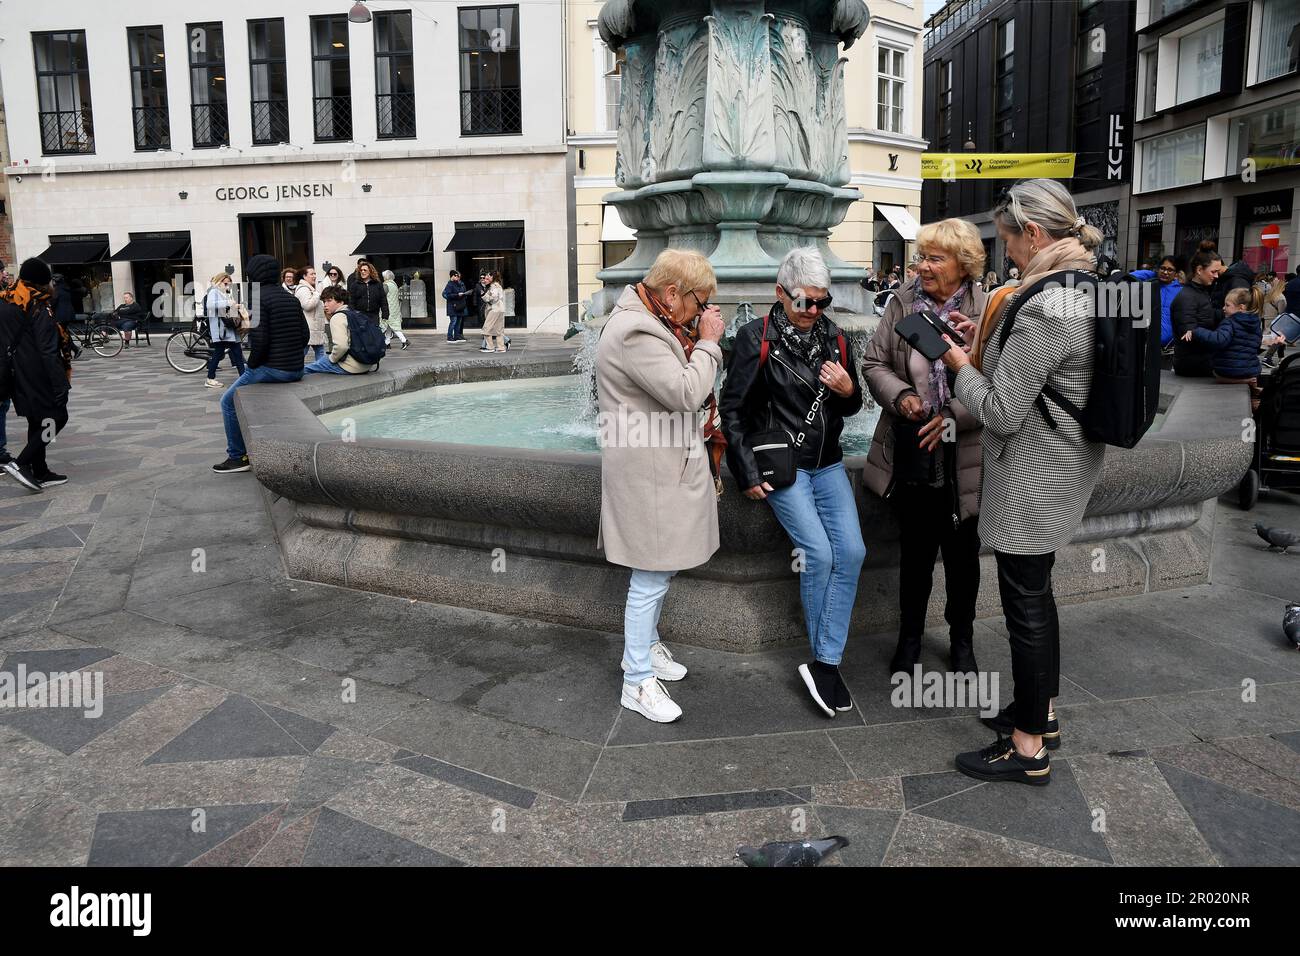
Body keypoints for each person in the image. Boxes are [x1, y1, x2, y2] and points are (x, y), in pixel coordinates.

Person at [940, 179, 1106, 786]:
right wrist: (981, 344)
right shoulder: (1083, 283)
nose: (1006, 252)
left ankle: (1028, 746)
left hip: (1038, 469)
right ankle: (1043, 713)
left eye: (1008, 240)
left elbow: (1003, 410)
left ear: (1034, 234)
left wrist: (960, 366)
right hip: (1065, 458)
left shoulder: (1047, 303)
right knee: (1037, 592)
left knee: (1025, 605)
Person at [720, 247, 866, 717]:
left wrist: (849, 391)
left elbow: (849, 407)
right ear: (781, 293)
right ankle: (826, 663)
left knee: (854, 552)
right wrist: (744, 470)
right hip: (783, 465)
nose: (813, 312)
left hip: (827, 462)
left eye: (822, 302)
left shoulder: (836, 339)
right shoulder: (754, 338)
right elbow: (733, 409)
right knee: (819, 554)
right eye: (805, 301)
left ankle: (825, 659)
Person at [596, 249, 726, 723]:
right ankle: (635, 680)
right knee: (649, 576)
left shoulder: (652, 320)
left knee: (660, 569)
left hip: (658, 465)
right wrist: (710, 343)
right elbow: (687, 393)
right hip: (648, 471)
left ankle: (647, 649)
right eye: (699, 300)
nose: (704, 311)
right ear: (672, 293)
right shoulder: (637, 330)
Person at [862, 219, 987, 676]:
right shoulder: (902, 302)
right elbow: (874, 362)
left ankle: (962, 641)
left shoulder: (990, 309)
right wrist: (903, 397)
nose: (923, 267)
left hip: (966, 454)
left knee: (962, 558)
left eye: (936, 258)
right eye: (922, 257)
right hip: (914, 444)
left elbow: (1001, 387)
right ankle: (910, 639)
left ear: (963, 264)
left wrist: (952, 412)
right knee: (914, 555)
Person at [212, 254, 309, 474]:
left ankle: (237, 456)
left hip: (273, 368)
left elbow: (261, 340)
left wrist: (251, 366)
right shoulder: (291, 298)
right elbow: (304, 336)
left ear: (253, 275)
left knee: (228, 401)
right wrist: (293, 358)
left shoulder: (258, 298)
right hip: (296, 368)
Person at [0, 258, 70, 492]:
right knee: (58, 418)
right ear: (42, 283)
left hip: (14, 371)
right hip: (38, 373)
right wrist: (61, 385)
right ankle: (20, 464)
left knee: (37, 420)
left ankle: (40, 470)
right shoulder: (39, 306)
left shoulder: (7, 299)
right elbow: (48, 351)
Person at [1183, 286, 1264, 406]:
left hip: (1228, 371)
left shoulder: (1230, 322)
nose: (1223, 308)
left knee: (1215, 373)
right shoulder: (1256, 323)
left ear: (1241, 307)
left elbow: (1219, 340)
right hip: (1251, 370)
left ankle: (1243, 382)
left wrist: (1197, 331)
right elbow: (1256, 346)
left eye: (1227, 305)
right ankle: (1253, 394)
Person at [1171, 241, 1225, 377]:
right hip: (1193, 368)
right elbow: (1188, 335)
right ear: (1199, 270)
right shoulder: (1186, 298)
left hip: (1202, 364)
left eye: (1218, 272)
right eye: (1213, 272)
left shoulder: (1203, 293)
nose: (1217, 276)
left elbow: (1206, 318)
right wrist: (1220, 338)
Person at [303, 287, 380, 375]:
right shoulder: (354, 313)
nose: (325, 305)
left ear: (341, 302)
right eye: (324, 301)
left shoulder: (338, 317)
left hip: (351, 367)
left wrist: (332, 359)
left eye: (329, 301)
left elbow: (341, 346)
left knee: (308, 368)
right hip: (366, 364)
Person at [204, 272, 246, 388]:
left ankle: (242, 377)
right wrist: (228, 303)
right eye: (226, 283)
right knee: (226, 353)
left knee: (234, 352)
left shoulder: (223, 292)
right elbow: (210, 305)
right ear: (220, 281)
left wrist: (234, 305)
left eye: (229, 283)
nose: (228, 285)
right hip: (222, 329)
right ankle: (210, 378)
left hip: (227, 329)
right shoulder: (214, 291)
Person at [1130, 256, 1183, 348]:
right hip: (1144, 343)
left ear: (1176, 274)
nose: (1165, 272)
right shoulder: (1152, 283)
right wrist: (1153, 274)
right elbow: (1130, 276)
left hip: (1168, 349)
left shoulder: (1181, 291)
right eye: (1162, 268)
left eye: (1170, 270)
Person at [293, 267, 326, 362]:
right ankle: (294, 367)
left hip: (314, 326)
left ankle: (321, 367)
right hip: (309, 326)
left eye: (315, 273)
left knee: (319, 349)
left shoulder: (309, 288)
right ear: (304, 276)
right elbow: (307, 306)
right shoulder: (303, 289)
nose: (314, 276)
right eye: (312, 274)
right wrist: (316, 295)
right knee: (304, 350)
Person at [347, 259, 388, 328]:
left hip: (374, 315)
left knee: (373, 335)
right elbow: (351, 301)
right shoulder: (355, 285)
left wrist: (385, 314)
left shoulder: (377, 284)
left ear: (370, 271)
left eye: (365, 270)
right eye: (361, 270)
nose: (363, 272)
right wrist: (352, 313)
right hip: (359, 314)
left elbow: (383, 300)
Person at [380, 269, 410, 350]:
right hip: (395, 308)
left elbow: (382, 296)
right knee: (390, 326)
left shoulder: (385, 285)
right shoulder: (394, 284)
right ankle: (387, 343)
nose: (383, 278)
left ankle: (404, 340)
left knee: (393, 326)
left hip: (388, 308)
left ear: (386, 277)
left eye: (383, 276)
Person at [441, 269, 470, 343]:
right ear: (452, 276)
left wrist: (464, 294)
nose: (458, 277)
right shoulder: (449, 284)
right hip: (453, 306)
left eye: (458, 276)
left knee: (458, 322)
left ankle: (457, 336)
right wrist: (457, 295)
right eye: (456, 276)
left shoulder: (459, 283)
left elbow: (462, 291)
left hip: (459, 305)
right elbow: (447, 295)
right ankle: (450, 337)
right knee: (453, 321)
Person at [480, 271, 506, 352]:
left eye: (488, 277)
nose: (486, 278)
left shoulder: (493, 286)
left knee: (486, 328)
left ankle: (490, 347)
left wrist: (483, 294)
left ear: (492, 277)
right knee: (499, 330)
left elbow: (493, 298)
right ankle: (501, 348)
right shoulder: (498, 285)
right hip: (500, 309)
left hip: (494, 309)